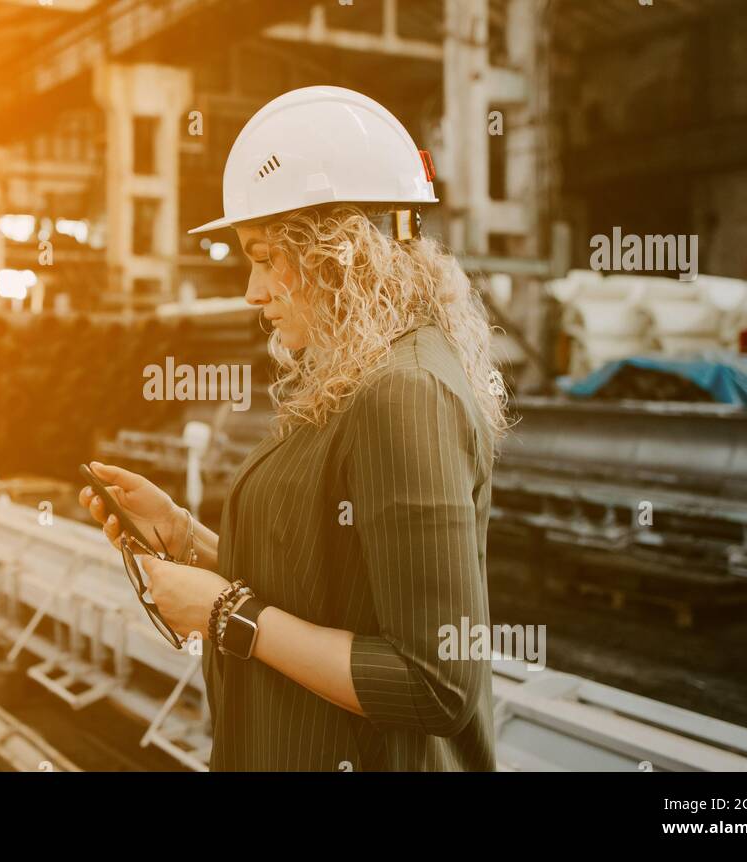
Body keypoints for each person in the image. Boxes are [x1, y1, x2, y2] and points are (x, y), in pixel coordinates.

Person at [79, 86, 506, 771]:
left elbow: (436, 681)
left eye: (262, 255)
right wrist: (188, 539)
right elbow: (327, 589)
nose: (252, 293)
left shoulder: (406, 394)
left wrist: (229, 618)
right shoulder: (354, 377)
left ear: (337, 250)